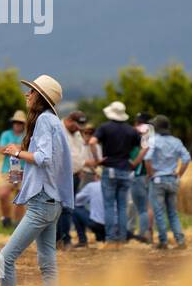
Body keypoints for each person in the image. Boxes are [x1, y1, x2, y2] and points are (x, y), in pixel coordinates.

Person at [0, 75, 74, 286]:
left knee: (5, 258)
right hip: (53, 200)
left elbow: (42, 158)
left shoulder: (43, 121)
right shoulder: (53, 121)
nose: (27, 94)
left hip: (41, 203)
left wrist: (16, 152)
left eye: (31, 91)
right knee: (47, 261)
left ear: (40, 97)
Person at [93, 100, 140, 246]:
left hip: (110, 170)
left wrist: (98, 160)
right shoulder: (131, 131)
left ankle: (110, 239)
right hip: (125, 170)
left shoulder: (105, 128)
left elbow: (92, 142)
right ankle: (122, 238)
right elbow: (146, 146)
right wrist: (135, 162)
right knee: (122, 206)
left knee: (109, 206)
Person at [144, 115, 189, 248]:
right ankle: (180, 240)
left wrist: (150, 173)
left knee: (159, 212)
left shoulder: (153, 141)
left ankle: (163, 241)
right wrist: (179, 174)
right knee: (172, 212)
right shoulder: (176, 141)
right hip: (172, 179)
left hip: (158, 179)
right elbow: (186, 159)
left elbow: (147, 158)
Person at [58, 111, 92, 249]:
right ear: (69, 120)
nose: (79, 128)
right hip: (62, 176)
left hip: (75, 175)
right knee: (62, 209)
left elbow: (78, 153)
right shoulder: (59, 131)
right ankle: (62, 239)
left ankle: (63, 239)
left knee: (68, 209)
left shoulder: (76, 132)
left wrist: (80, 168)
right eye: (77, 125)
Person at [128, 112, 156, 243]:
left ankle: (143, 235)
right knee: (149, 207)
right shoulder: (153, 135)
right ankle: (148, 234)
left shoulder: (145, 134)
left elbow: (144, 151)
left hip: (140, 174)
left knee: (142, 209)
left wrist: (135, 163)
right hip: (149, 175)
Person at [0, 111, 27, 228]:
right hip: (8, 170)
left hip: (24, 170)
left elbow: (29, 149)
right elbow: (1, 150)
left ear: (24, 124)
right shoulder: (5, 134)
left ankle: (17, 223)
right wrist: (19, 148)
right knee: (3, 194)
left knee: (20, 198)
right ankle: (7, 219)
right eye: (15, 122)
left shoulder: (27, 134)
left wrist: (12, 147)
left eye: (20, 122)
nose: (17, 124)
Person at [72, 174, 107, 244]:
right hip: (112, 227)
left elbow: (75, 200)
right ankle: (102, 237)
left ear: (96, 176)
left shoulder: (91, 186)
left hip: (98, 225)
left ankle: (82, 240)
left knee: (74, 208)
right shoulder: (113, 187)